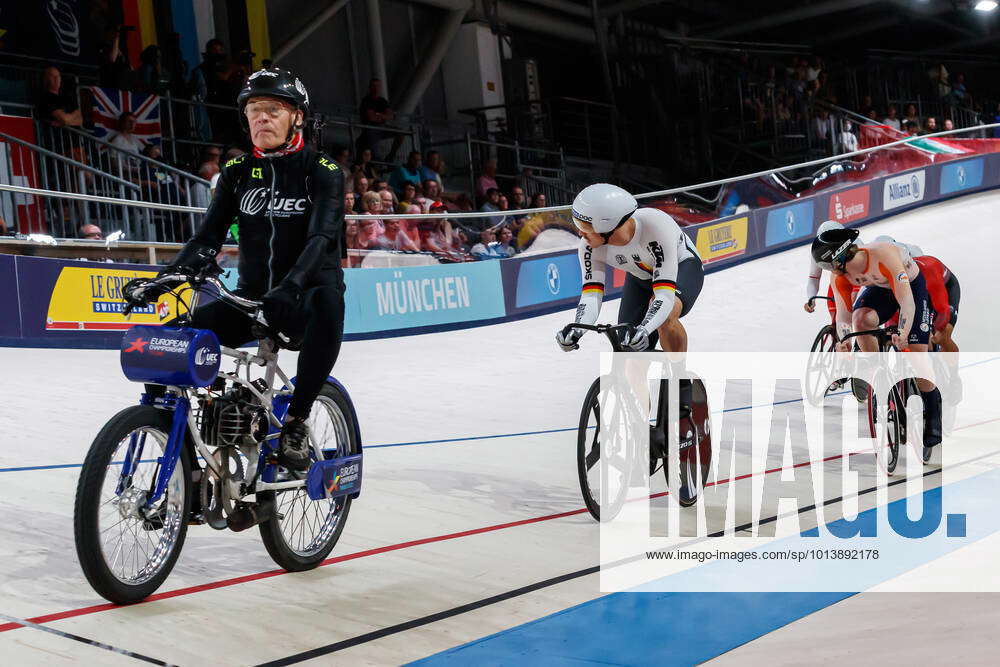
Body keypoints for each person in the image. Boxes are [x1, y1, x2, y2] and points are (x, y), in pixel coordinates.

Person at [133, 67, 347, 472]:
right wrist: (164, 278)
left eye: (272, 110)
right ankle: (180, 456)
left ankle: (297, 421)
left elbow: (322, 238)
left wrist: (291, 286)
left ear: (296, 117)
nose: (261, 118)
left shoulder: (323, 171)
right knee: (165, 344)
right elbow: (206, 239)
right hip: (251, 298)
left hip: (304, 296)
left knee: (329, 306)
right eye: (253, 111)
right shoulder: (233, 175)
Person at [814, 228, 942, 460]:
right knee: (860, 320)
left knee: (917, 356)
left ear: (840, 257)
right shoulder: (840, 275)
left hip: (910, 289)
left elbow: (907, 303)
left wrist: (902, 332)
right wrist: (843, 340)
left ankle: (933, 414)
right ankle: (879, 372)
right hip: (879, 289)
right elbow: (844, 317)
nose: (827, 272)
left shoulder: (884, 255)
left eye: (826, 266)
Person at [557, 183, 704, 355]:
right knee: (627, 350)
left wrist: (645, 328)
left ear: (608, 225)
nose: (581, 233)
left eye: (585, 226)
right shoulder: (588, 246)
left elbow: (664, 296)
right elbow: (591, 295)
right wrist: (577, 330)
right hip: (640, 278)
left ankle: (680, 378)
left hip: (682, 268)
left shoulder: (656, 226)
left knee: (665, 318)